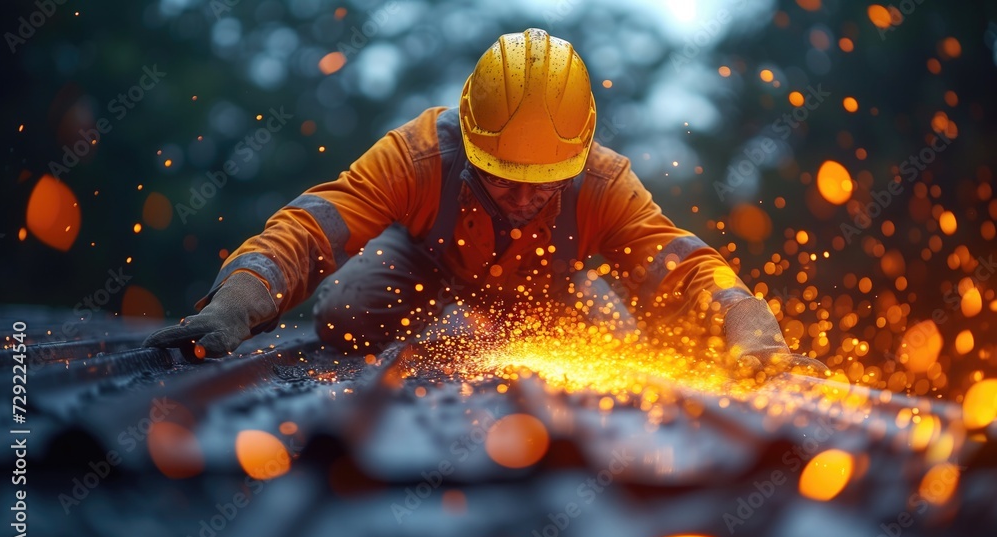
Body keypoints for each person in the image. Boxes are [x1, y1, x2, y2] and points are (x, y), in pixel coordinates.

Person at [144, 28, 825, 377]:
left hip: (552, 291)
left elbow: (683, 266)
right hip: (422, 268)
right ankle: (452, 325)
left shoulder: (606, 180)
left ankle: (498, 331)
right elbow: (313, 226)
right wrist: (240, 300)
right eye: (502, 177)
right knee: (344, 318)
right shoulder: (416, 154)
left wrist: (752, 334)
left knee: (616, 354)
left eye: (544, 181)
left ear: (580, 154)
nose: (523, 197)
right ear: (468, 142)